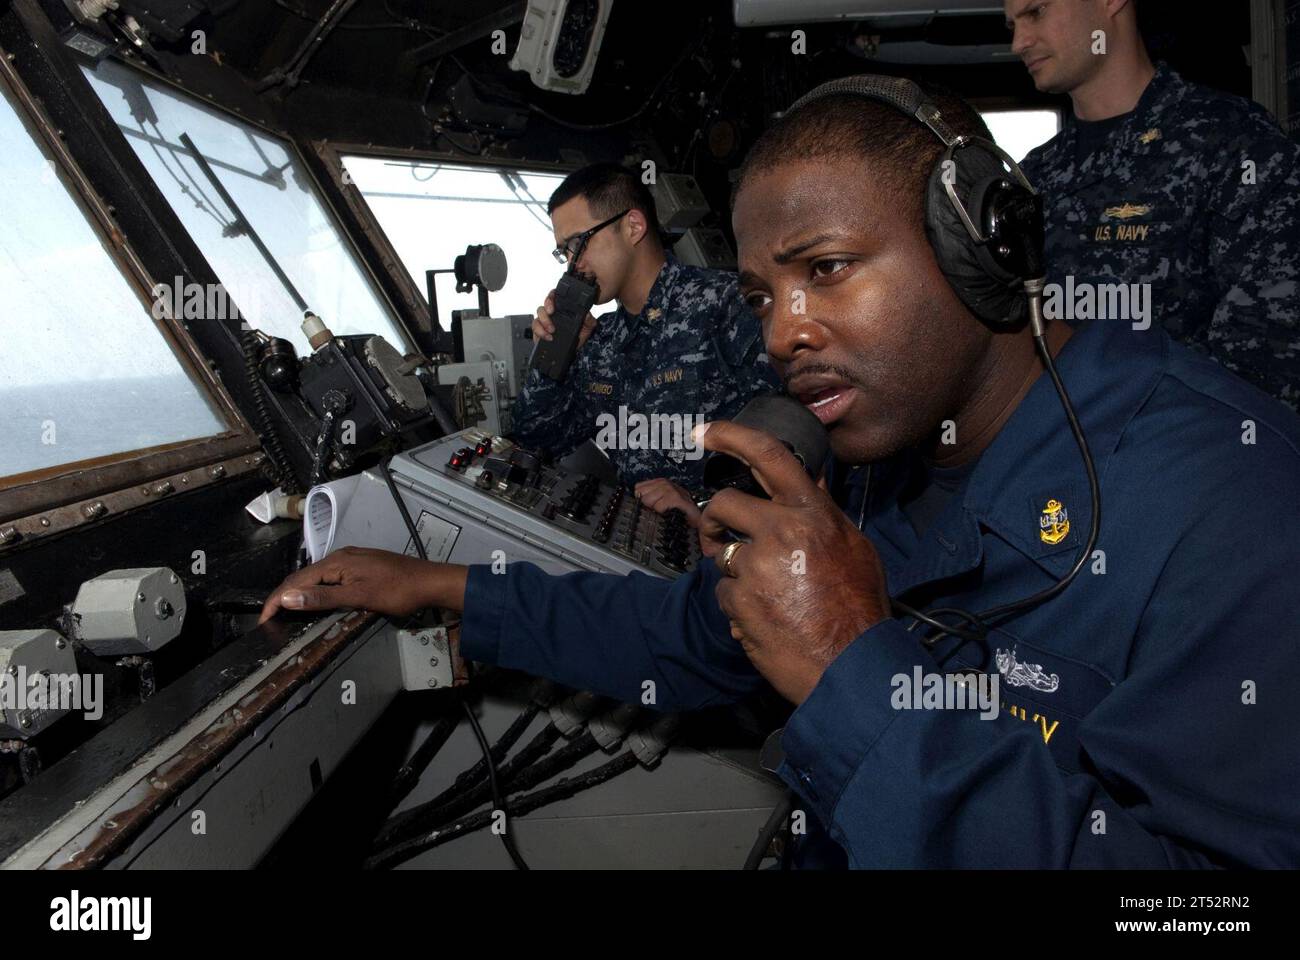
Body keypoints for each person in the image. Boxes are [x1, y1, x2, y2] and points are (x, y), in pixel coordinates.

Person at [262, 81, 1300, 868]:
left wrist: (860, 679)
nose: (784, 332)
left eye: (826, 269)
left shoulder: (1231, 507)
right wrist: (447, 591)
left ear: (981, 246)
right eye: (762, 295)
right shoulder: (889, 464)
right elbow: (693, 638)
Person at [1007, 0, 1300, 409]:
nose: (1019, 41)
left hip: (1193, 457)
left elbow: (1270, 353)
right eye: (1011, 24)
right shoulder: (1032, 177)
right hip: (1058, 455)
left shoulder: (1231, 142)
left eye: (1036, 12)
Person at [510, 162, 778, 520]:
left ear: (633, 226)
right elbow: (533, 441)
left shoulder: (727, 306)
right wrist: (554, 355)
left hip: (733, 546)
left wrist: (703, 507)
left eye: (578, 244)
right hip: (641, 547)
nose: (572, 266)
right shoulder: (599, 341)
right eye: (564, 252)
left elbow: (794, 444)